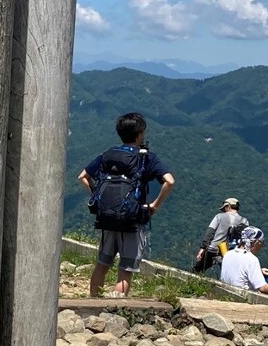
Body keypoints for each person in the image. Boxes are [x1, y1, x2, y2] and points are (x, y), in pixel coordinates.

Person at [78, 111, 174, 298]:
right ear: (139, 135)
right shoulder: (146, 158)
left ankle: (94, 302)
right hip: (132, 219)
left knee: (102, 265)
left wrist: (98, 198)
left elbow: (82, 177)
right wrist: (154, 205)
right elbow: (169, 181)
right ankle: (113, 308)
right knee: (125, 270)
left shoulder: (107, 155)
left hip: (107, 217)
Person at [220, 225, 268, 299]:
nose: (261, 246)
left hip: (226, 293)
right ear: (255, 242)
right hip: (243, 297)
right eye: (261, 242)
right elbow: (263, 288)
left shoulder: (228, 254)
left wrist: (259, 271)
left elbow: (237, 270)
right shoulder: (251, 259)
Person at [194, 196, 248, 272]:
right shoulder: (244, 221)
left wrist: (203, 248)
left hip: (214, 249)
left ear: (228, 206)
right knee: (229, 273)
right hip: (232, 252)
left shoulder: (219, 217)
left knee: (198, 270)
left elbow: (210, 232)